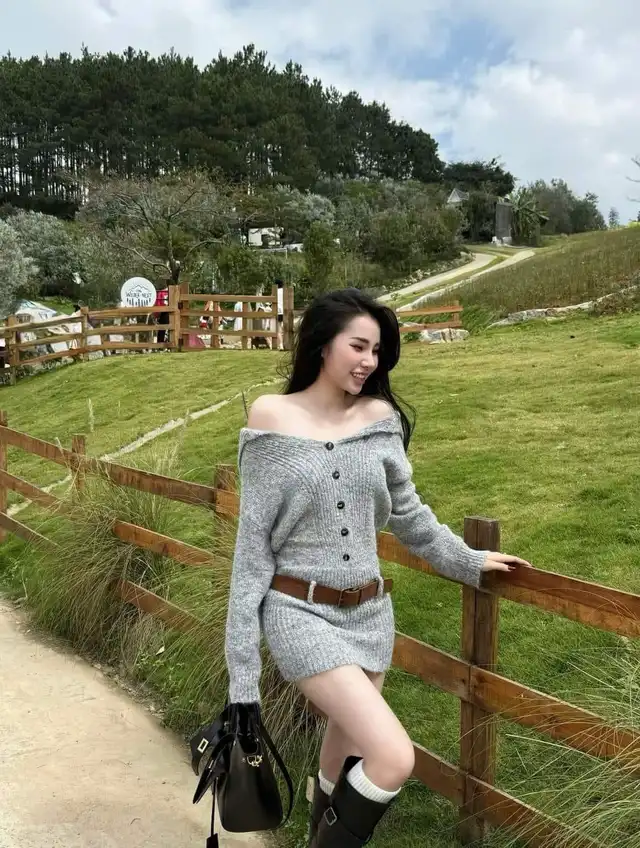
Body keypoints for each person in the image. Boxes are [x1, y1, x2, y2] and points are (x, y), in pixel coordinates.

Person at [224, 288, 532, 847]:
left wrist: (466, 560)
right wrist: (242, 681)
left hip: (370, 615)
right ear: (323, 344)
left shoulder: (379, 418)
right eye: (358, 346)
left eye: (377, 350)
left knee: (342, 758)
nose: (370, 361)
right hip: (299, 613)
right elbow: (252, 553)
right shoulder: (272, 416)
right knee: (392, 756)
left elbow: (410, 516)